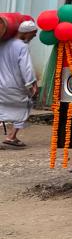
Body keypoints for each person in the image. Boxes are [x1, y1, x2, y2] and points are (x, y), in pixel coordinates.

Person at [0, 20, 39, 148]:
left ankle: (11, 137)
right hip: (15, 86)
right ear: (26, 32)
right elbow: (26, 67)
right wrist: (32, 84)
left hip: (1, 85)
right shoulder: (22, 46)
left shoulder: (3, 43)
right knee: (25, 107)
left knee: (1, 108)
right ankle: (11, 137)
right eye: (33, 33)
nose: (34, 36)